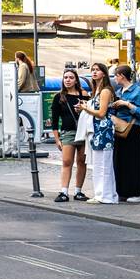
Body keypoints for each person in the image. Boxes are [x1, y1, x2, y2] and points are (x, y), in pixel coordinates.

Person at [77, 63, 118, 204]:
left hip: (103, 130)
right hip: (97, 130)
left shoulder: (105, 91)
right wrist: (85, 106)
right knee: (99, 164)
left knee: (103, 165)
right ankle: (103, 194)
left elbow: (101, 113)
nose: (94, 72)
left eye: (97, 70)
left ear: (104, 74)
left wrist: (85, 109)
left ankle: (104, 196)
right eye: (92, 70)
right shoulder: (97, 91)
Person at [49, 67, 89, 203]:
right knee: (67, 161)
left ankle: (78, 191)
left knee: (82, 161)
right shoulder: (59, 96)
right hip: (68, 133)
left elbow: (90, 113)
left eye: (71, 77)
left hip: (83, 132)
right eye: (65, 77)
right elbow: (54, 121)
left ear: (76, 80)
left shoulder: (83, 94)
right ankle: (64, 191)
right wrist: (57, 139)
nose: (68, 80)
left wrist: (83, 108)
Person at [111, 65, 140, 204]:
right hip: (118, 127)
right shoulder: (119, 91)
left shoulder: (138, 91)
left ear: (122, 76)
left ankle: (135, 192)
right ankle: (121, 191)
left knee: (133, 161)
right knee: (119, 160)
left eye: (116, 75)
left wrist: (127, 104)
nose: (115, 78)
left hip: (132, 128)